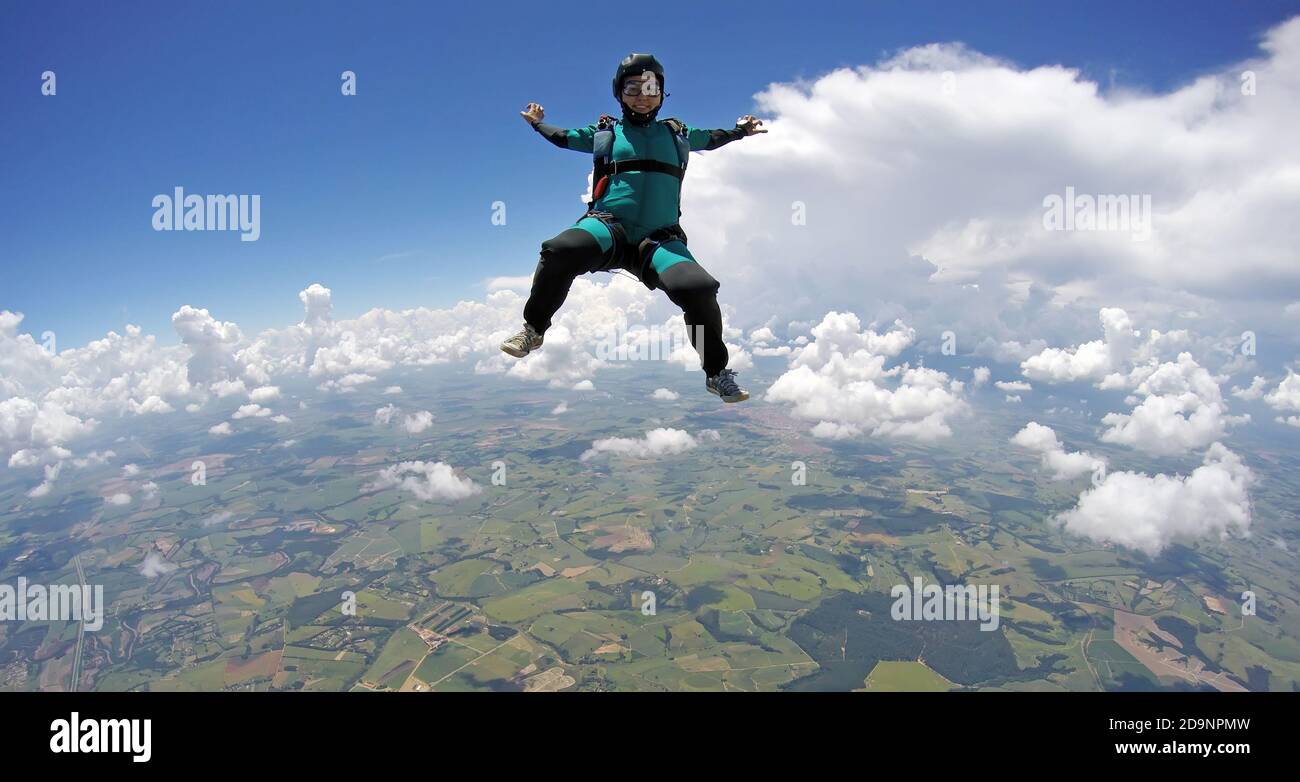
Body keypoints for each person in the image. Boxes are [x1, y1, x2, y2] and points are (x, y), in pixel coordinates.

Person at [501, 53, 766, 403]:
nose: (643, 94)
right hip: (609, 228)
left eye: (652, 87)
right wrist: (537, 123)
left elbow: (712, 138)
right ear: (619, 93)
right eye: (633, 87)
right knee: (560, 250)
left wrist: (741, 131)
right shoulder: (606, 134)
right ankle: (533, 330)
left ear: (662, 94)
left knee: (699, 289)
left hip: (659, 239)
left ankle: (716, 373)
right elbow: (563, 137)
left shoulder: (677, 134)